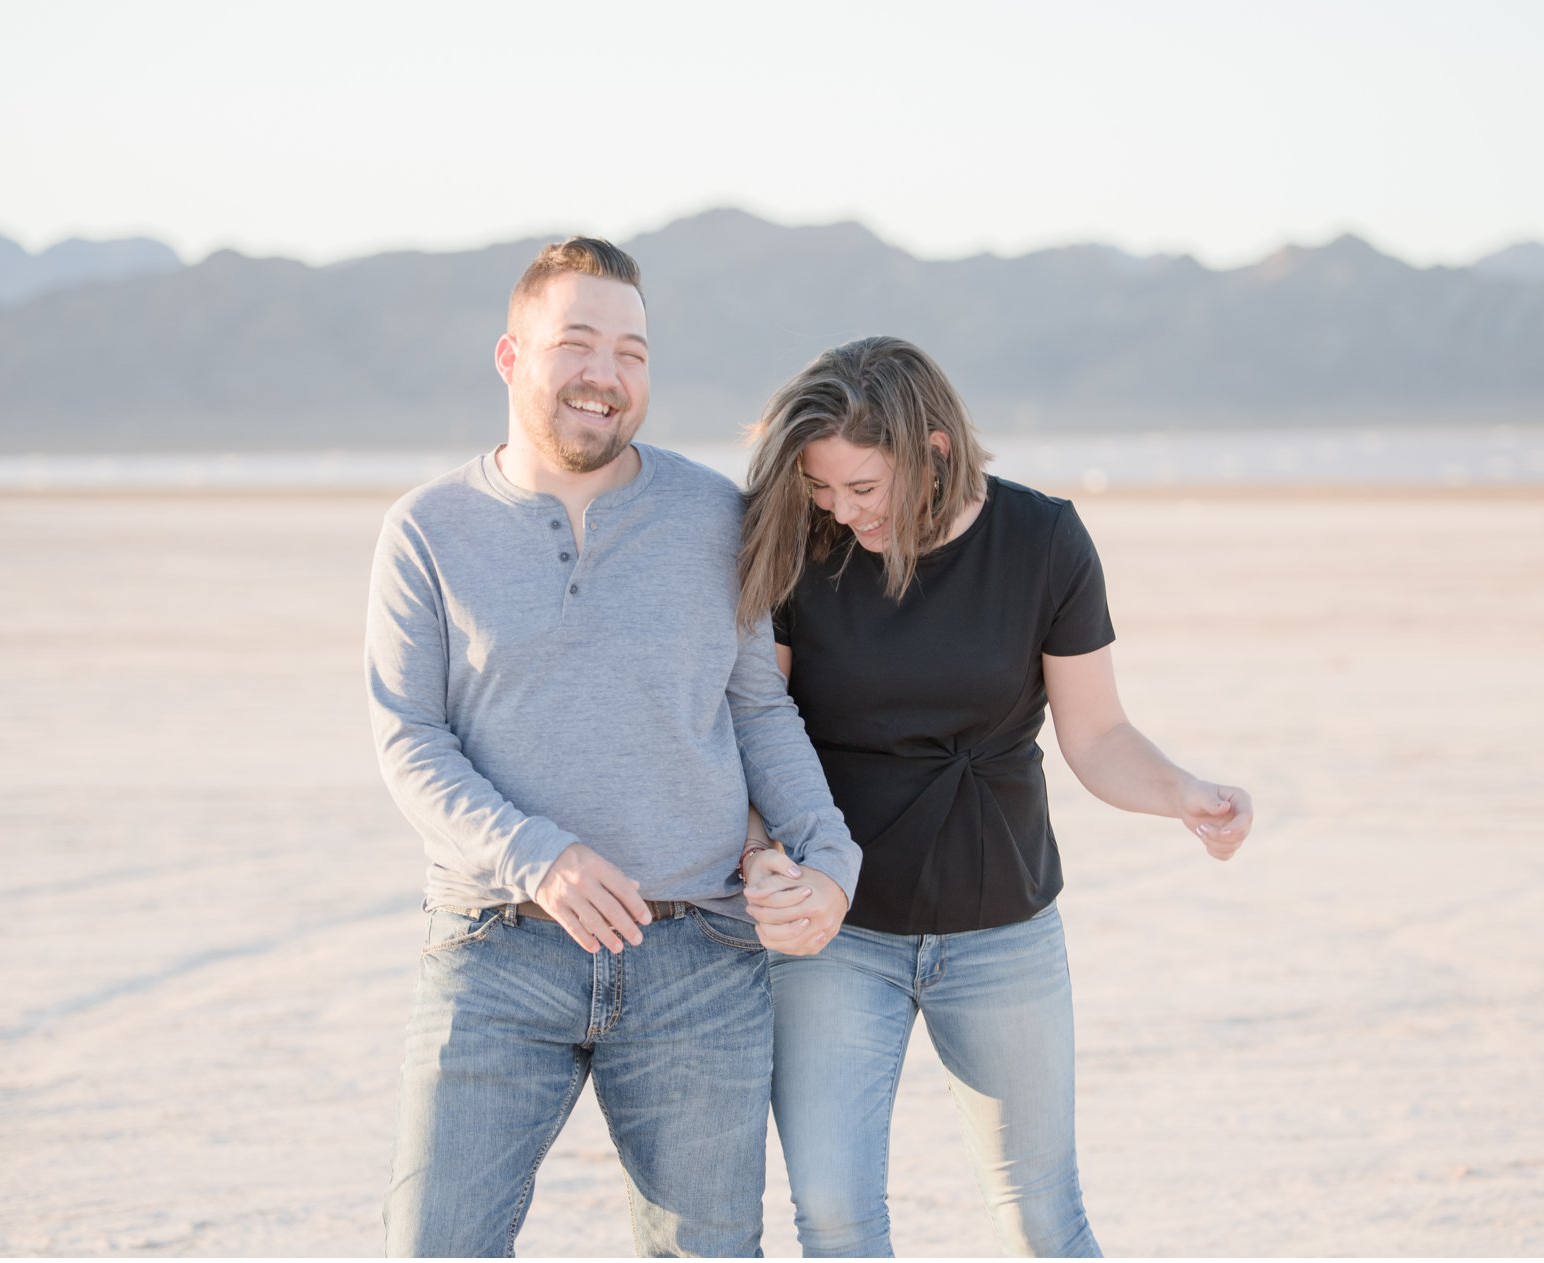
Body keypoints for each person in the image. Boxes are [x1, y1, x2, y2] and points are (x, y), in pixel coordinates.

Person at [366, 236, 862, 1257]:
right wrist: (537, 855)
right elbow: (409, 738)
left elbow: (756, 708)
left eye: (632, 352)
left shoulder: (716, 516)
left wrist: (829, 856)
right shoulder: (426, 528)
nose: (606, 373)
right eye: (577, 343)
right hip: (494, 945)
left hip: (698, 954)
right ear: (511, 357)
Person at [734, 339, 1254, 1258]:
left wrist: (1183, 790)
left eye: (863, 486)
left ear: (934, 449)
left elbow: (1097, 735)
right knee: (836, 1215)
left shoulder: (1042, 541)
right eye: (822, 488)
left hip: (1003, 929)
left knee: (1042, 1214)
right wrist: (763, 855)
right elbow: (752, 731)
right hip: (836, 930)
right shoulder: (801, 545)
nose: (842, 511)